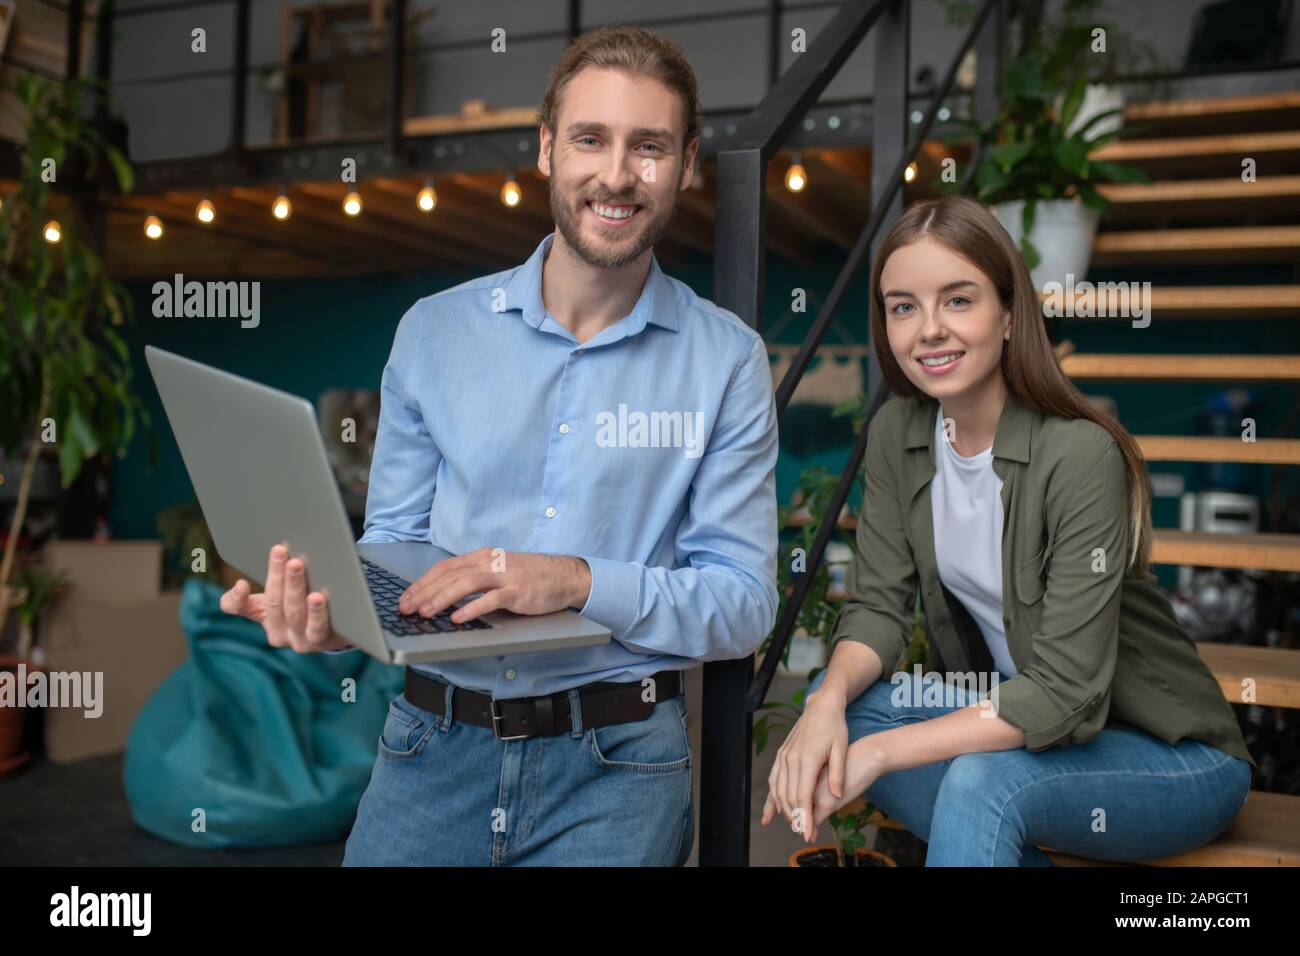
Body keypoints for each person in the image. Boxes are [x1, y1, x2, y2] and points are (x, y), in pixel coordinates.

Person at [219, 25, 779, 866]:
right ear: (549, 149)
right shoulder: (434, 332)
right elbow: (396, 545)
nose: (619, 174)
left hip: (619, 768)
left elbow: (742, 605)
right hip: (426, 752)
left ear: (688, 163)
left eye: (650, 146)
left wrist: (574, 581)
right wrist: (342, 615)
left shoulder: (727, 359)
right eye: (591, 139)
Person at [762, 195, 1256, 866]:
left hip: (1168, 755)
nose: (928, 329)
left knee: (978, 779)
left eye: (958, 300)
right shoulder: (897, 434)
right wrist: (824, 705)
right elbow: (878, 607)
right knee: (851, 709)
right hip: (1024, 730)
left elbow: (1064, 692)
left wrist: (881, 753)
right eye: (903, 306)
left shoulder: (1079, 454)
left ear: (1009, 315)